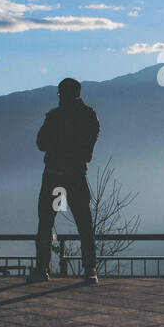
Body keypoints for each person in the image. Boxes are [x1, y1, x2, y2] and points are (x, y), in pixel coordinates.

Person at [32, 78, 101, 284]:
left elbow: (41, 143)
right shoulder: (88, 116)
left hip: (55, 178)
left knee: (46, 223)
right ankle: (90, 270)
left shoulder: (54, 117)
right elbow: (89, 144)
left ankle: (43, 269)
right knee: (84, 224)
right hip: (76, 177)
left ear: (62, 94)